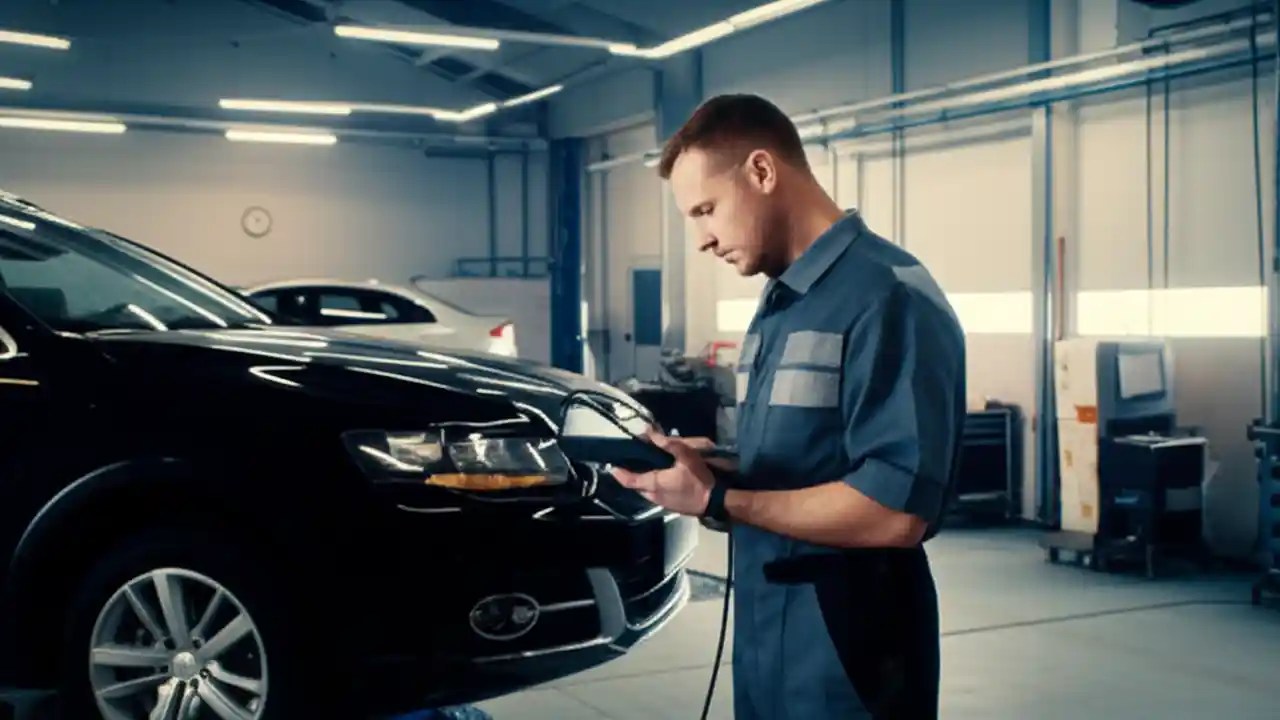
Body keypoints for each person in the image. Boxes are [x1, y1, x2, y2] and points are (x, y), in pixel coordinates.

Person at [611, 94, 967, 720]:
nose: (701, 240)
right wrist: (716, 468)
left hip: (851, 651)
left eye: (705, 210)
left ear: (762, 172)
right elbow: (809, 462)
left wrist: (721, 502)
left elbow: (895, 514)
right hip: (770, 637)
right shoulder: (783, 302)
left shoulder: (889, 295)